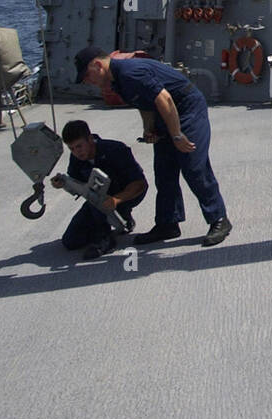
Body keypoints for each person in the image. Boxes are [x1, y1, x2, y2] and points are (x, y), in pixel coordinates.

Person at [75, 46, 233, 247]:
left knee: (193, 166)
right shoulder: (116, 80)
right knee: (164, 170)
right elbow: (144, 102)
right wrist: (149, 129)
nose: (87, 82)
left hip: (186, 109)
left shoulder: (130, 73)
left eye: (87, 76)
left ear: (98, 65)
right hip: (165, 113)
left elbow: (164, 98)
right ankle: (168, 224)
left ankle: (219, 219)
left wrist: (176, 135)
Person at [51, 120, 148, 259]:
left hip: (127, 195)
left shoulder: (116, 150)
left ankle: (105, 239)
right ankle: (120, 220)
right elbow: (78, 185)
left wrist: (116, 200)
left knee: (99, 201)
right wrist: (64, 184)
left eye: (79, 146)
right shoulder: (76, 158)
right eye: (71, 148)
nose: (77, 152)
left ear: (90, 139)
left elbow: (140, 184)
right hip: (97, 200)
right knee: (71, 241)